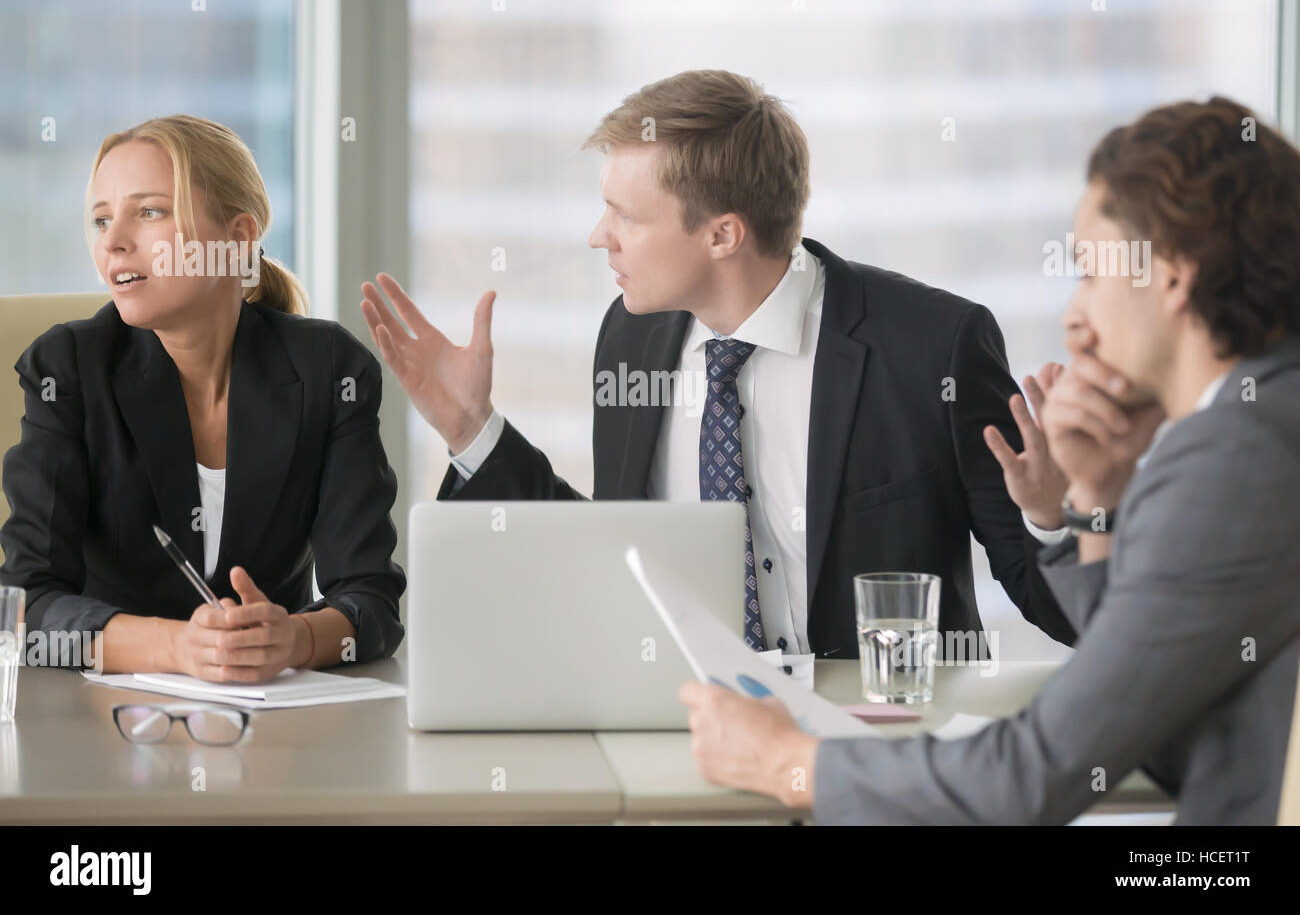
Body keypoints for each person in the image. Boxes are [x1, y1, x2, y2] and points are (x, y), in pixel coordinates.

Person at [679, 96, 1300, 825]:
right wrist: (1097, 500)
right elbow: (1143, 716)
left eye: (1091, 274)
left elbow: (1031, 778)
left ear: (1173, 276)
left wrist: (787, 762)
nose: (1075, 315)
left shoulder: (1235, 459)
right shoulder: (1262, 423)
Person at [361, 69, 1075, 661]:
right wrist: (471, 428)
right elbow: (618, 556)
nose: (597, 237)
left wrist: (1051, 515)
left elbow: (1062, 607)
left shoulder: (934, 346)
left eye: (626, 218)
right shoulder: (631, 339)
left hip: (881, 759)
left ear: (723, 235)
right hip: (692, 744)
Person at [0, 115, 406, 679]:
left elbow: (372, 602)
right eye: (100, 219)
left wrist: (295, 639)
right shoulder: (67, 369)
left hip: (271, 731)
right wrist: (175, 649)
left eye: (149, 212)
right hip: (100, 729)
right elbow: (24, 615)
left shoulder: (328, 370)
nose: (113, 241)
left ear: (237, 239)